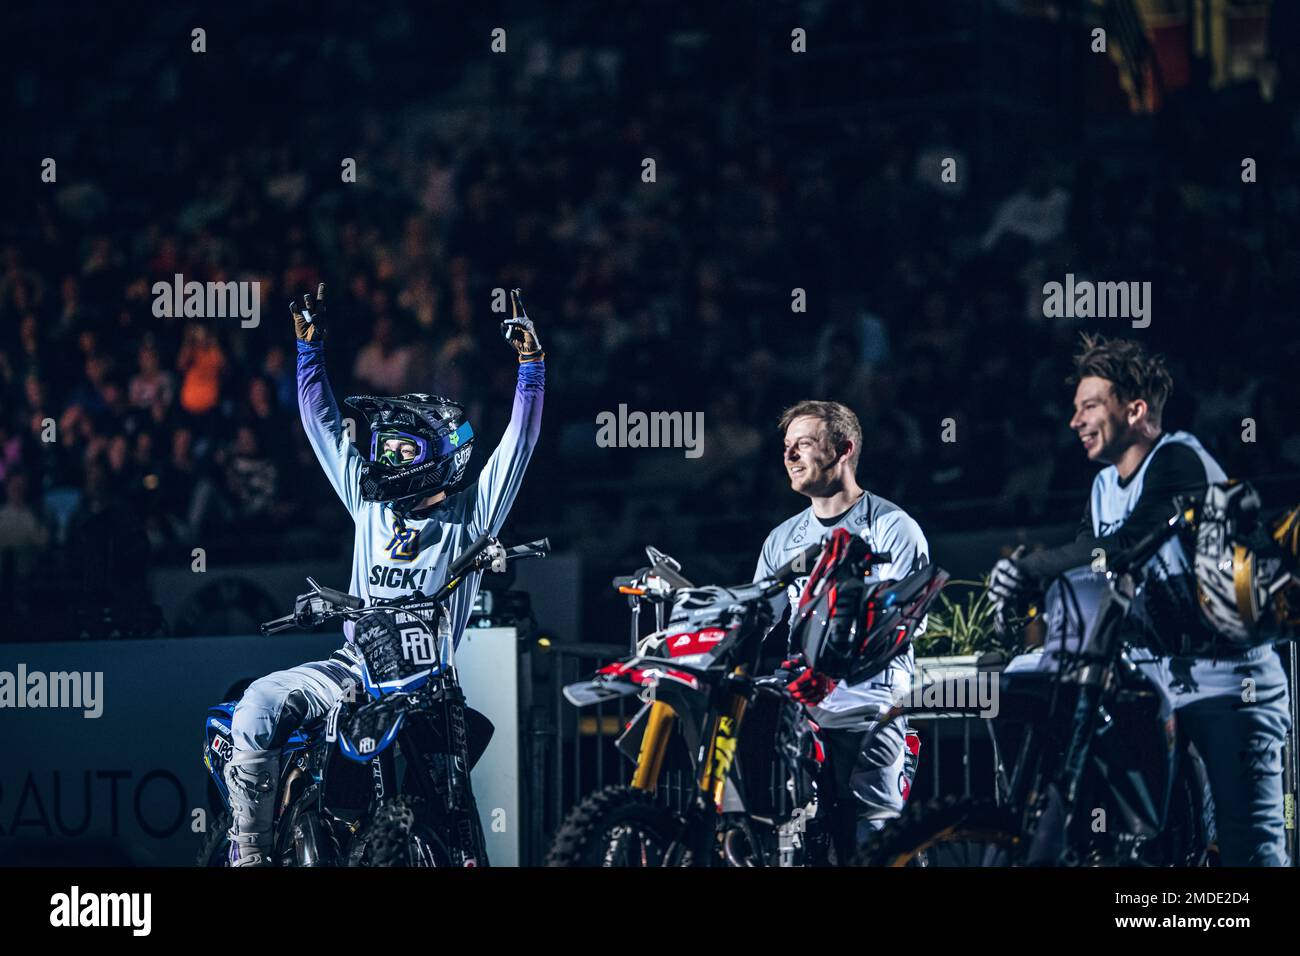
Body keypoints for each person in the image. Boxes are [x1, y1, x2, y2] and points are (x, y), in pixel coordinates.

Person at [223, 283, 544, 866]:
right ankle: (251, 855)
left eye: (397, 450)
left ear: (431, 455)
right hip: (350, 673)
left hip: (426, 690)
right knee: (256, 708)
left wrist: (531, 367)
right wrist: (308, 349)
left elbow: (517, 446)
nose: (381, 459)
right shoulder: (370, 505)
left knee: (460, 834)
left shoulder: (470, 516)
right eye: (383, 448)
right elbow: (322, 428)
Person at [987, 333, 1291, 866]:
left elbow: (1124, 548)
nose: (1074, 421)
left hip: (1228, 683)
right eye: (1074, 408)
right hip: (1157, 683)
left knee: (1252, 850)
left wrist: (1030, 566)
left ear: (1135, 409)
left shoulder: (1177, 459)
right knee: (1151, 850)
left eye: (1089, 406)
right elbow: (1089, 560)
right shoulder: (1104, 484)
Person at [752, 400, 927, 861]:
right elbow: (757, 619)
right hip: (800, 707)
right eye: (787, 446)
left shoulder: (893, 527)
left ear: (843, 449)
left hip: (869, 704)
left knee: (873, 844)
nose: (789, 456)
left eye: (803, 444)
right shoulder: (780, 539)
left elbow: (907, 621)